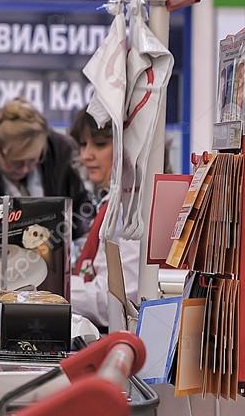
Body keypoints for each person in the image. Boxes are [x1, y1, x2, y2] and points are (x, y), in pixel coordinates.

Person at [0, 99, 92, 237]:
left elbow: (81, 214)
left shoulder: (62, 160)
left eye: (33, 160)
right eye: (16, 163)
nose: (25, 169)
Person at [69, 108, 139, 328]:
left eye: (99, 145)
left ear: (126, 148)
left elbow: (116, 300)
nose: (86, 155)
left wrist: (53, 288)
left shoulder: (129, 208)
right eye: (83, 144)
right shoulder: (111, 203)